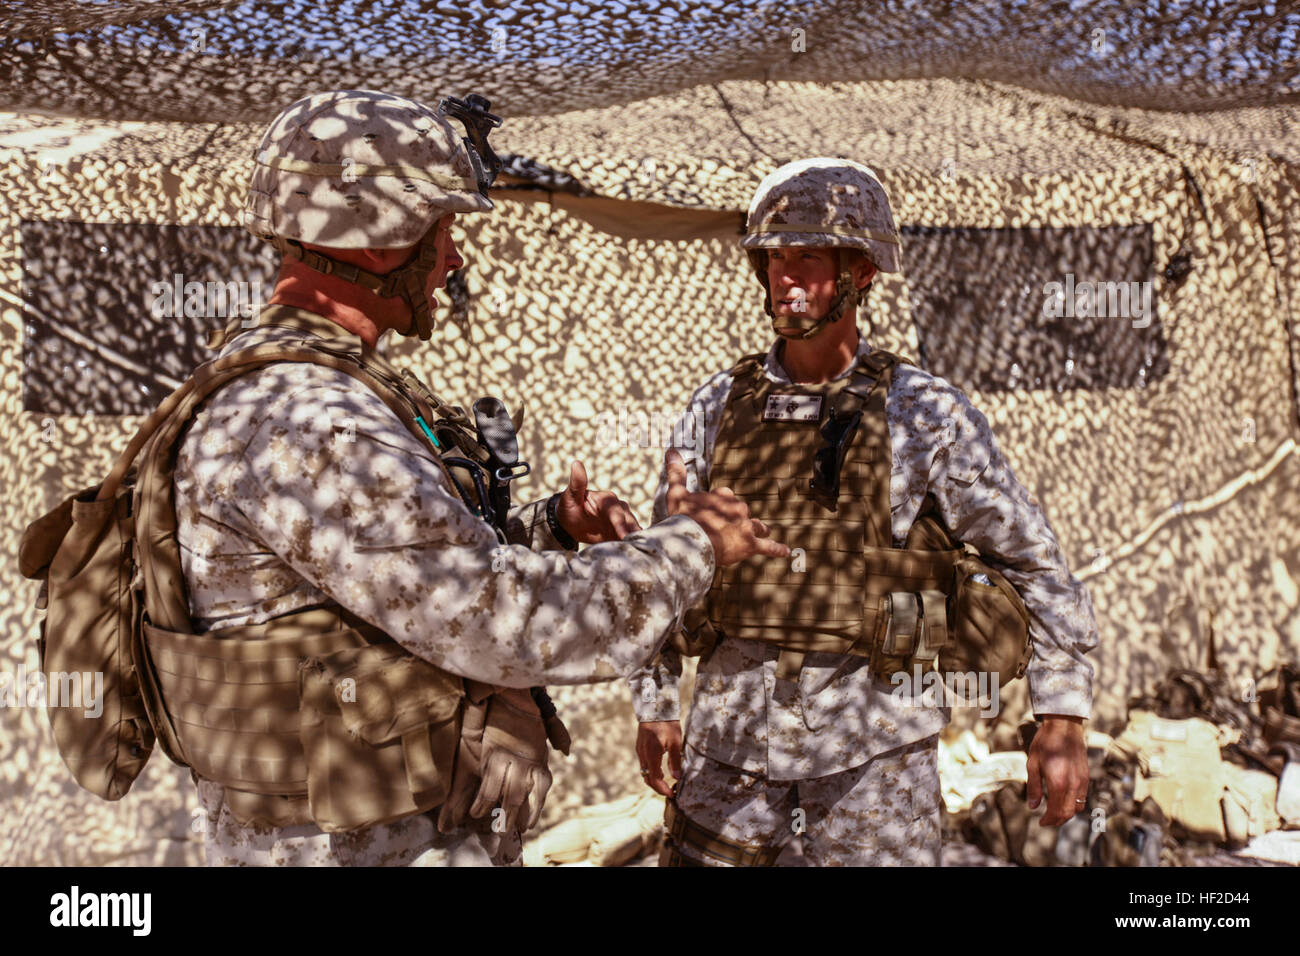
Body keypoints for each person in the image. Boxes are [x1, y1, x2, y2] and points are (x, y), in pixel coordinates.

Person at [170, 89, 785, 866]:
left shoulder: (289, 381)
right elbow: (499, 622)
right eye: (445, 227)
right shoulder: (311, 418)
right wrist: (695, 545)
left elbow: (399, 575)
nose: (455, 256)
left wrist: (550, 529)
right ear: (385, 236)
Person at [630, 158, 1097, 866]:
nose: (787, 277)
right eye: (774, 259)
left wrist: (1060, 719)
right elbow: (664, 560)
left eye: (809, 258)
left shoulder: (924, 412)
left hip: (874, 754)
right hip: (730, 744)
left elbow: (1030, 561)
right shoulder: (718, 405)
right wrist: (657, 701)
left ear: (863, 271)